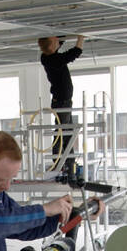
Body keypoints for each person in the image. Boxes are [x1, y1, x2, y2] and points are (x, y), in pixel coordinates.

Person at [38, 34, 84, 171]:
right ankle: (60, 163)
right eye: (55, 41)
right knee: (63, 132)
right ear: (52, 46)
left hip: (63, 102)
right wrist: (80, 38)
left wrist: (60, 38)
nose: (58, 41)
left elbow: (57, 47)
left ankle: (68, 163)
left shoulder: (48, 57)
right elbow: (75, 53)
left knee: (66, 132)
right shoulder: (54, 60)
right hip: (62, 103)